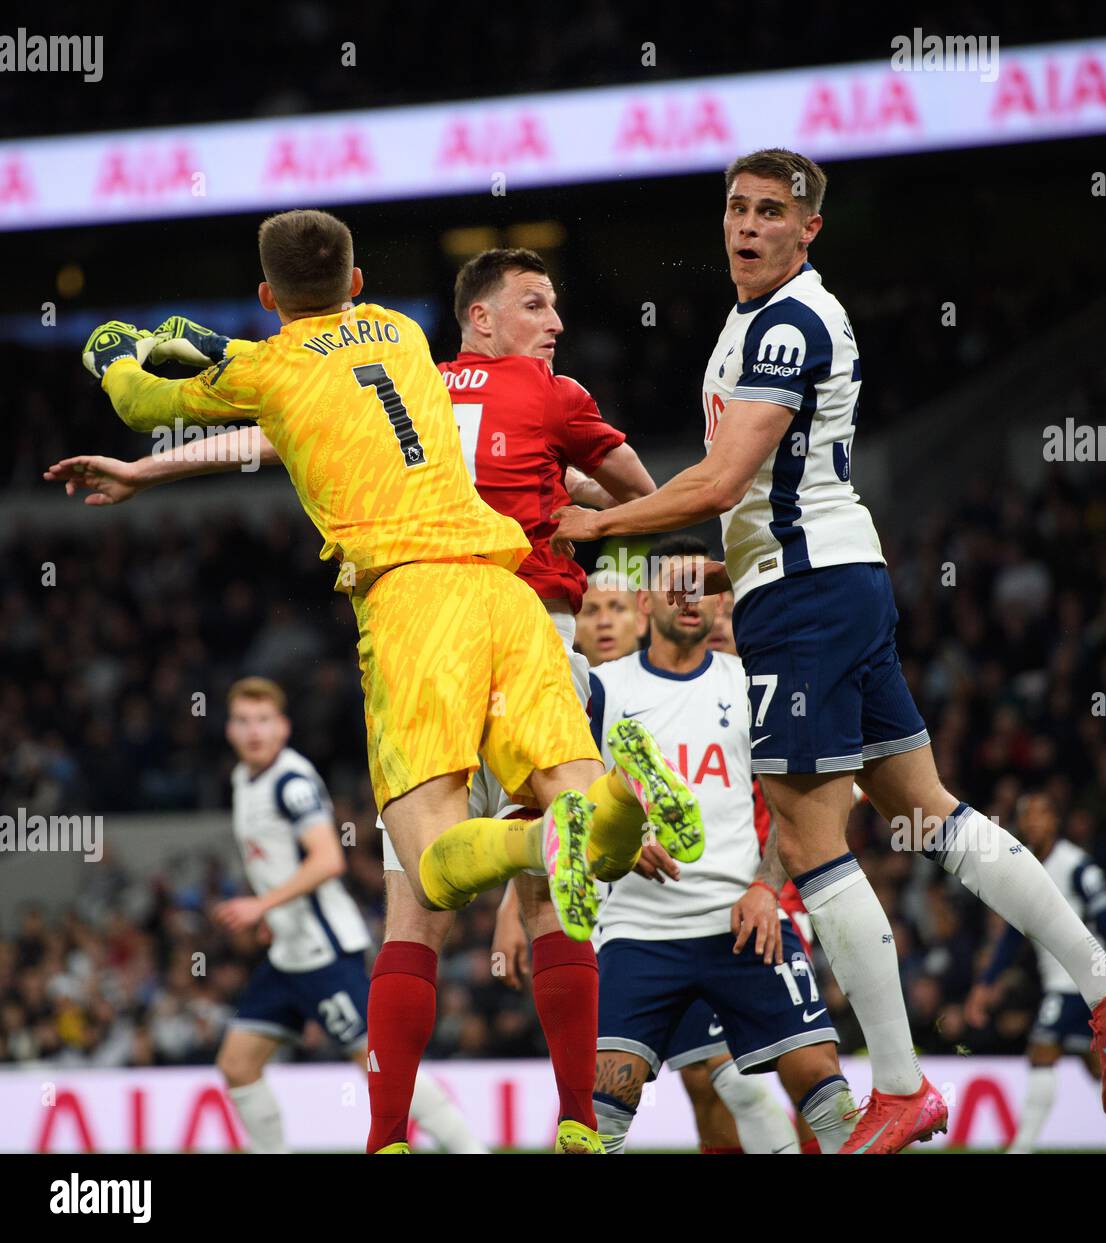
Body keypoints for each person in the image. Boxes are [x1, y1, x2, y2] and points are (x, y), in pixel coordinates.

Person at [553, 148, 1106, 1150]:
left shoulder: (791, 320)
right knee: (926, 810)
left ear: (808, 229)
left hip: (808, 595)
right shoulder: (754, 320)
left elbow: (716, 488)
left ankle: (899, 1084)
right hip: (830, 586)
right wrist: (607, 501)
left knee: (804, 838)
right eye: (735, 208)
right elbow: (724, 492)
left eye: (768, 212)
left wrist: (592, 533)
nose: (745, 226)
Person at [74, 210, 704, 1152]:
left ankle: (388, 1136)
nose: (554, 320)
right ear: (363, 281)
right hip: (522, 604)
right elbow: (639, 496)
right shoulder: (412, 340)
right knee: (572, 855)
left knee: (427, 875)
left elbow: (206, 407)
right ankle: (581, 1110)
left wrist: (115, 360)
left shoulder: (283, 367)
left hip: (415, 613)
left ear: (265, 298)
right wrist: (613, 534)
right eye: (538, 303)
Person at [585, 537, 857, 1155]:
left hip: (744, 924)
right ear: (646, 600)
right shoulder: (599, 692)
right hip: (636, 933)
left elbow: (812, 806)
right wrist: (616, 842)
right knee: (597, 1120)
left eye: (704, 584)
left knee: (829, 1094)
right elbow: (559, 793)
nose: (691, 597)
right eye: (676, 584)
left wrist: (766, 887)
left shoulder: (752, 685)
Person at [217, 677, 484, 1153]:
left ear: (283, 727)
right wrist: (271, 915)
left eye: (263, 720)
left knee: (378, 1062)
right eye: (242, 721)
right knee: (238, 1063)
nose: (253, 731)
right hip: (288, 953)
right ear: (230, 729)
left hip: (325, 952)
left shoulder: (291, 783)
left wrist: (262, 904)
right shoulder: (243, 779)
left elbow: (327, 859)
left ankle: (467, 1147)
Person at [964, 792, 1106, 1154]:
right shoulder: (1024, 868)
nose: (1032, 822)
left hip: (1078, 982)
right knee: (1099, 1066)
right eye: (1026, 816)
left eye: (1040, 814)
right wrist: (986, 984)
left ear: (1055, 821)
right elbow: (1011, 935)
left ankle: (1021, 1147)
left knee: (1041, 1051)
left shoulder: (1078, 866)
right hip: (1069, 984)